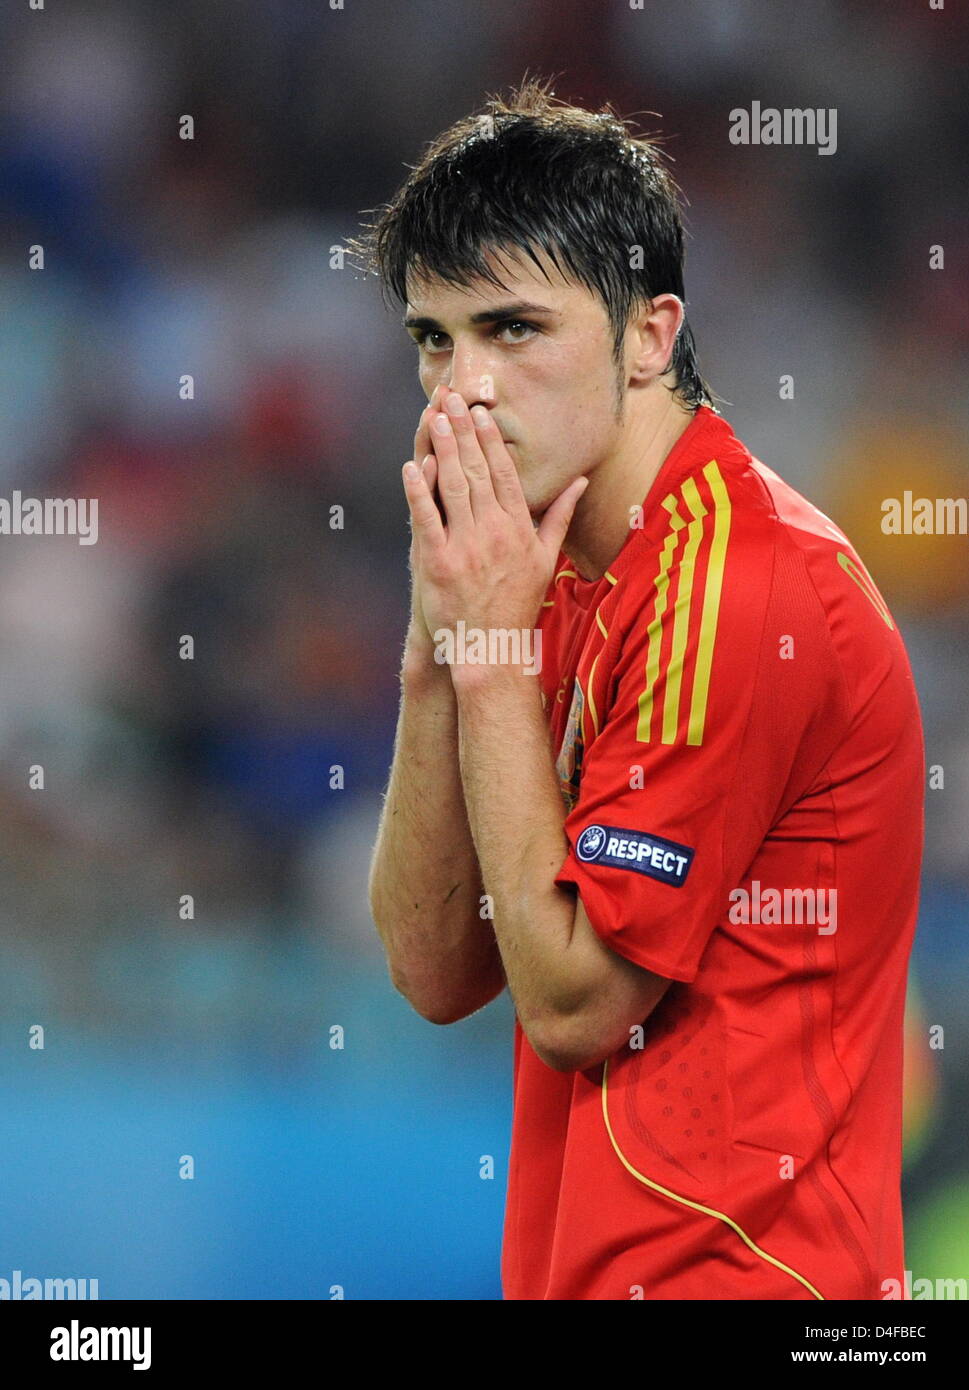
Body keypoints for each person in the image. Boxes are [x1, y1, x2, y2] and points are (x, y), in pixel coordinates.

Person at [357, 78, 924, 1300]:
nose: (462, 390)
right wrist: (435, 648)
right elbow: (433, 967)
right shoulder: (545, 567)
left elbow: (574, 1003)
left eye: (513, 329)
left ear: (649, 334)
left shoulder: (741, 586)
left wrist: (492, 653)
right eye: (432, 339)